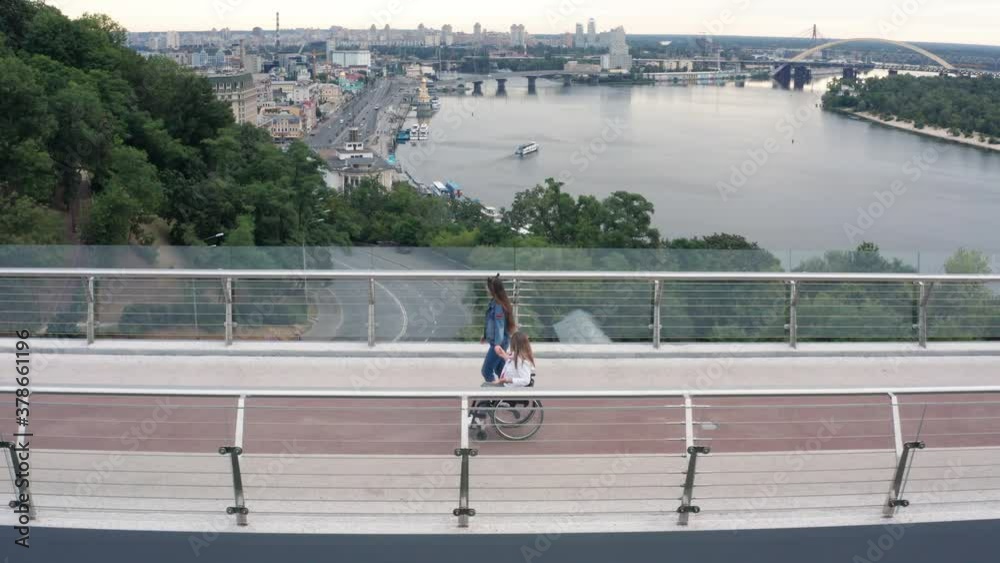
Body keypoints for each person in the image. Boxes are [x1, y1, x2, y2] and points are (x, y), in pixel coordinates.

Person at [470, 332, 536, 431]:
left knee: (486, 392)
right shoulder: (517, 356)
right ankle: (479, 417)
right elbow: (511, 364)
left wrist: (507, 380)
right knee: (484, 387)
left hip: (510, 390)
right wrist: (503, 355)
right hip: (507, 386)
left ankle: (480, 419)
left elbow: (525, 380)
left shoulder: (523, 361)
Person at [480, 275, 514, 383]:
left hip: (499, 342)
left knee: (486, 370)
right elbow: (491, 323)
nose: (486, 289)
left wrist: (497, 345)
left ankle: (494, 394)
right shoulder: (494, 303)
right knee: (500, 370)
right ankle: (508, 394)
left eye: (488, 287)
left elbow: (499, 326)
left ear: (492, 289)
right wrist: (485, 335)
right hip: (498, 341)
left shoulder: (498, 305)